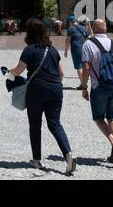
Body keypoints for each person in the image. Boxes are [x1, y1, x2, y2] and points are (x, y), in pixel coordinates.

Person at [6, 18, 74, 174]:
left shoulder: (29, 49)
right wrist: (54, 85)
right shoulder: (52, 50)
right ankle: (68, 154)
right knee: (55, 123)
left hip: (37, 90)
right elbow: (61, 73)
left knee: (35, 124)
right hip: (56, 89)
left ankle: (36, 160)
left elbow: (18, 70)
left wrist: (8, 75)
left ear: (29, 33)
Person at [79, 19, 113, 164]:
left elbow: (86, 68)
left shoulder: (88, 44)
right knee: (112, 118)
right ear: (105, 29)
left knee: (98, 117)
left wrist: (84, 86)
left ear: (93, 29)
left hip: (98, 86)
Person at [64, 15, 89, 90]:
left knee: (79, 67)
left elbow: (67, 41)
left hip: (76, 50)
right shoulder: (84, 28)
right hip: (85, 49)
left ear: (70, 22)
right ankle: (84, 83)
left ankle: (83, 85)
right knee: (85, 66)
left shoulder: (70, 29)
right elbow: (87, 38)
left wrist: (66, 50)